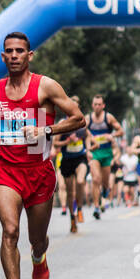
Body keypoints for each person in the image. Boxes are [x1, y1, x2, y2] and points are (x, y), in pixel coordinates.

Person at [0, 32, 85, 279]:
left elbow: (79, 118)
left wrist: (46, 130)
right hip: (7, 172)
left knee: (36, 238)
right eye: (9, 52)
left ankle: (38, 257)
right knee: (10, 231)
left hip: (39, 174)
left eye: (19, 51)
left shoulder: (46, 87)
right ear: (3, 57)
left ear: (29, 56)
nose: (14, 56)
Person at [53, 95, 90, 233]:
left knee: (80, 181)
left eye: (75, 105)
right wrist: (66, 142)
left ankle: (79, 208)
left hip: (80, 158)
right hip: (67, 160)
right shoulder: (63, 123)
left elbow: (88, 137)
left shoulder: (82, 121)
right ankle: (72, 219)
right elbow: (55, 142)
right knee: (69, 192)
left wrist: (89, 148)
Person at [86, 95, 122, 219]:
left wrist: (112, 135)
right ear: (92, 105)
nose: (97, 107)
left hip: (107, 153)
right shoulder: (88, 119)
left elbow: (121, 131)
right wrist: (88, 146)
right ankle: (96, 207)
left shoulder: (108, 117)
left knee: (105, 183)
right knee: (96, 179)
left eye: (99, 104)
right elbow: (83, 133)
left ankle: (105, 191)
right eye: (95, 104)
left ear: (103, 105)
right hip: (95, 153)